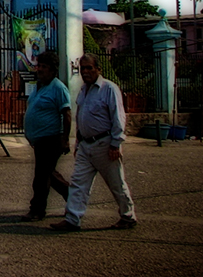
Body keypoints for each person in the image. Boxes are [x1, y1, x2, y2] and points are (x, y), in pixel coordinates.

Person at [50, 53, 137, 231]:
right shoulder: (84, 90)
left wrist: (115, 144)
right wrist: (78, 142)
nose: (85, 72)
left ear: (98, 69)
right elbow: (81, 117)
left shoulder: (109, 89)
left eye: (89, 68)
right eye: (82, 68)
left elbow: (118, 119)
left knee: (116, 183)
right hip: (85, 145)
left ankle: (128, 216)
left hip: (104, 145)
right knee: (78, 182)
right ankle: (73, 219)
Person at [21, 51, 71, 221]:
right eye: (39, 66)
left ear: (53, 70)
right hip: (40, 140)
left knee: (41, 176)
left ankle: (37, 209)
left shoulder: (58, 88)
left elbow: (67, 114)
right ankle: (73, 196)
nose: (39, 69)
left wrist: (65, 140)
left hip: (52, 138)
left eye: (44, 67)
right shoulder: (39, 86)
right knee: (49, 173)